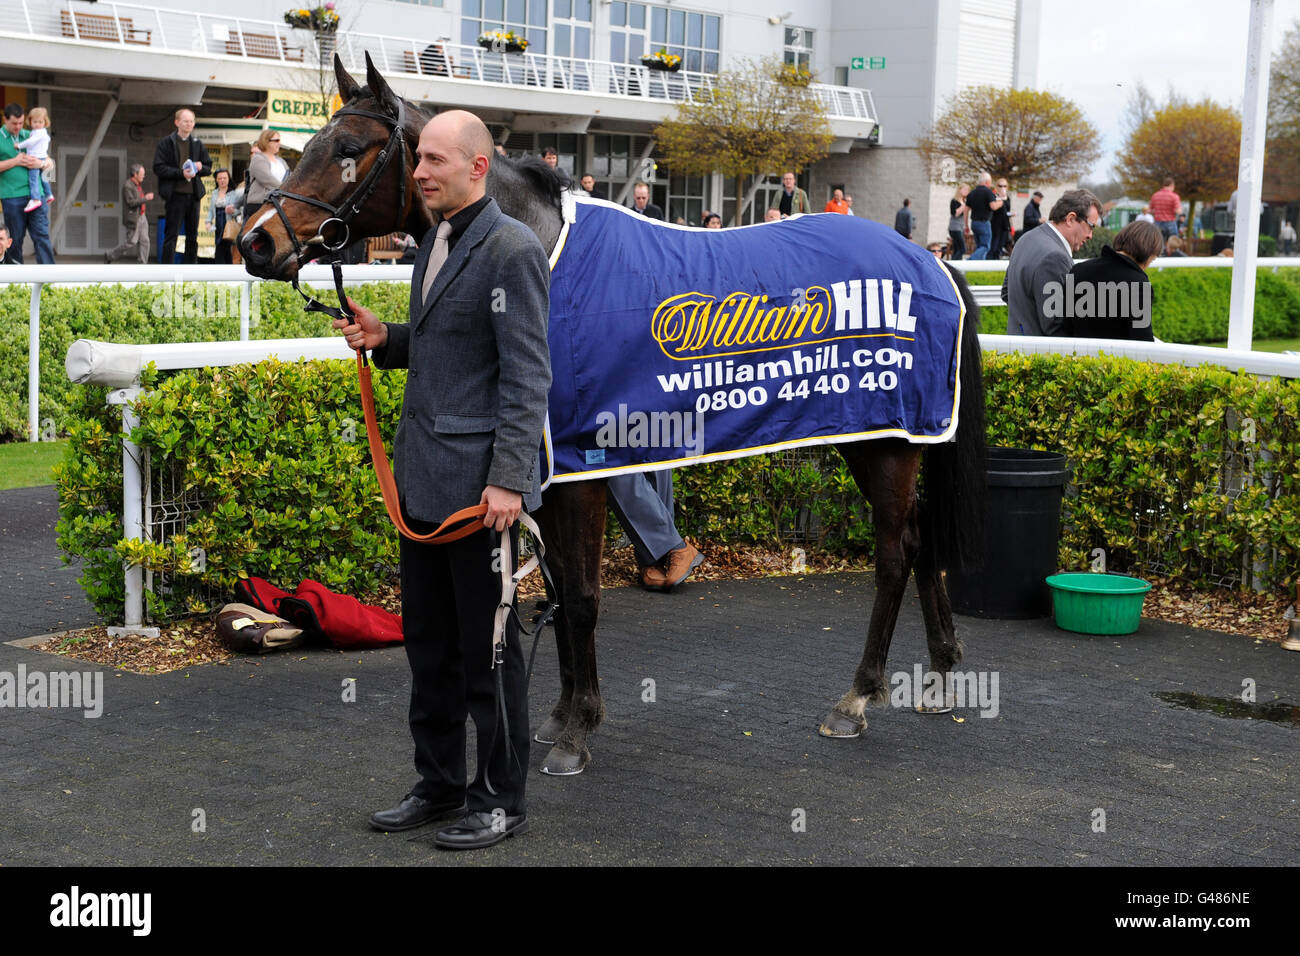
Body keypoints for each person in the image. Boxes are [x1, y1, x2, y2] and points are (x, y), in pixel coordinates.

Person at [334, 109, 551, 851]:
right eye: (419, 159)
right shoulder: (436, 240)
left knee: (487, 655)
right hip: (423, 486)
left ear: (478, 167)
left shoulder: (512, 250)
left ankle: (499, 799)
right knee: (429, 650)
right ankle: (439, 784)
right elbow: (449, 350)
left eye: (433, 160)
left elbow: (527, 377)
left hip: (481, 499)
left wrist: (509, 482)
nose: (420, 171)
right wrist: (385, 339)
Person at [1001, 188, 1102, 336]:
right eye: (1091, 226)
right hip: (1039, 355)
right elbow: (1055, 326)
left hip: (1017, 351)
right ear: (1070, 219)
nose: (1090, 235)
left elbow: (1006, 293)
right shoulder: (1055, 257)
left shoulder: (1026, 238)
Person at [1064, 220, 1162, 341]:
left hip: (1076, 356)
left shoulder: (1078, 270)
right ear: (1149, 254)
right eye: (1152, 260)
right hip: (1116, 358)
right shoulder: (1139, 285)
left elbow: (1066, 324)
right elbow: (1142, 340)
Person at [153, 108, 211, 264]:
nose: (189, 124)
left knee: (193, 236)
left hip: (194, 196)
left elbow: (208, 168)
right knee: (171, 234)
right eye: (186, 121)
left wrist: (199, 167)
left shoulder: (198, 144)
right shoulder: (166, 143)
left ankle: (190, 270)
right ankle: (166, 271)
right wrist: (181, 173)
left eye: (192, 121)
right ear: (177, 122)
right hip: (175, 195)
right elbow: (158, 167)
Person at [1, 103, 55, 264]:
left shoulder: (31, 135)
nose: (18, 127)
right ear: (5, 120)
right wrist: (15, 161)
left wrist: (42, 164)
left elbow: (50, 163)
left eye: (21, 123)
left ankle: (49, 280)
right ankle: (17, 282)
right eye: (14, 123)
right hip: (12, 197)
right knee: (15, 240)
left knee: (42, 236)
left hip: (37, 195)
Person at [106, 164, 154, 264]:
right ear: (135, 174)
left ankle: (142, 263)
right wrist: (146, 198)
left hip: (142, 216)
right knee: (131, 242)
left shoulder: (137, 185)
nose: (143, 176)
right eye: (142, 174)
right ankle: (110, 255)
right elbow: (131, 202)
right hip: (134, 217)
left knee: (145, 241)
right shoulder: (128, 186)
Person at [244, 129, 288, 222]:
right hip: (260, 203)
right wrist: (286, 189)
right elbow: (267, 179)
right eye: (276, 140)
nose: (279, 143)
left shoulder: (281, 161)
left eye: (279, 140)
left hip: (278, 201)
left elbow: (289, 176)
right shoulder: (258, 158)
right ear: (266, 141)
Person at [19, 107, 53, 213]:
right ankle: (48, 194)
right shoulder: (43, 133)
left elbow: (30, 142)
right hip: (41, 155)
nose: (37, 124)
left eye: (40, 122)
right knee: (43, 178)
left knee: (33, 178)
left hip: (35, 157)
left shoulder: (38, 133)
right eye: (35, 122)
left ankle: (35, 198)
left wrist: (18, 145)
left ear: (45, 122)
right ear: (30, 121)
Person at [206, 168, 242, 264]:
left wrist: (232, 211)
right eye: (220, 178)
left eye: (224, 178)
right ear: (216, 180)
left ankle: (223, 271)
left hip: (228, 223)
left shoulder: (234, 193)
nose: (222, 180)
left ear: (228, 179)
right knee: (220, 246)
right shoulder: (214, 193)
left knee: (224, 248)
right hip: (218, 223)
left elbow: (239, 210)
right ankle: (224, 271)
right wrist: (208, 221)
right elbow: (211, 210)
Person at [966, 172, 1001, 260]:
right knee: (985, 246)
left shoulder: (972, 193)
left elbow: (966, 210)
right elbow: (993, 206)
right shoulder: (988, 192)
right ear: (987, 182)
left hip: (974, 223)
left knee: (979, 246)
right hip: (984, 222)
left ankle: (980, 266)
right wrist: (1001, 202)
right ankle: (969, 261)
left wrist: (966, 224)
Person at [989, 177, 1012, 260]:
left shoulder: (1008, 198)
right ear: (997, 187)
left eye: (1005, 186)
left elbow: (1007, 210)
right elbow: (994, 209)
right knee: (994, 244)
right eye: (1000, 186)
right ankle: (991, 260)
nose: (1003, 188)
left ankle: (997, 259)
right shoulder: (994, 196)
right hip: (995, 224)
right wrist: (1001, 198)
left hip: (1005, 224)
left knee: (1001, 244)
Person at [948, 184, 970, 260]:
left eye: (968, 190)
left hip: (960, 228)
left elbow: (965, 216)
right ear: (959, 190)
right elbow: (955, 214)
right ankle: (953, 264)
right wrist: (964, 206)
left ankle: (956, 267)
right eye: (965, 189)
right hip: (954, 228)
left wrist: (966, 227)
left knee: (957, 248)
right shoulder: (954, 201)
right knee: (962, 248)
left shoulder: (964, 201)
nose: (966, 191)